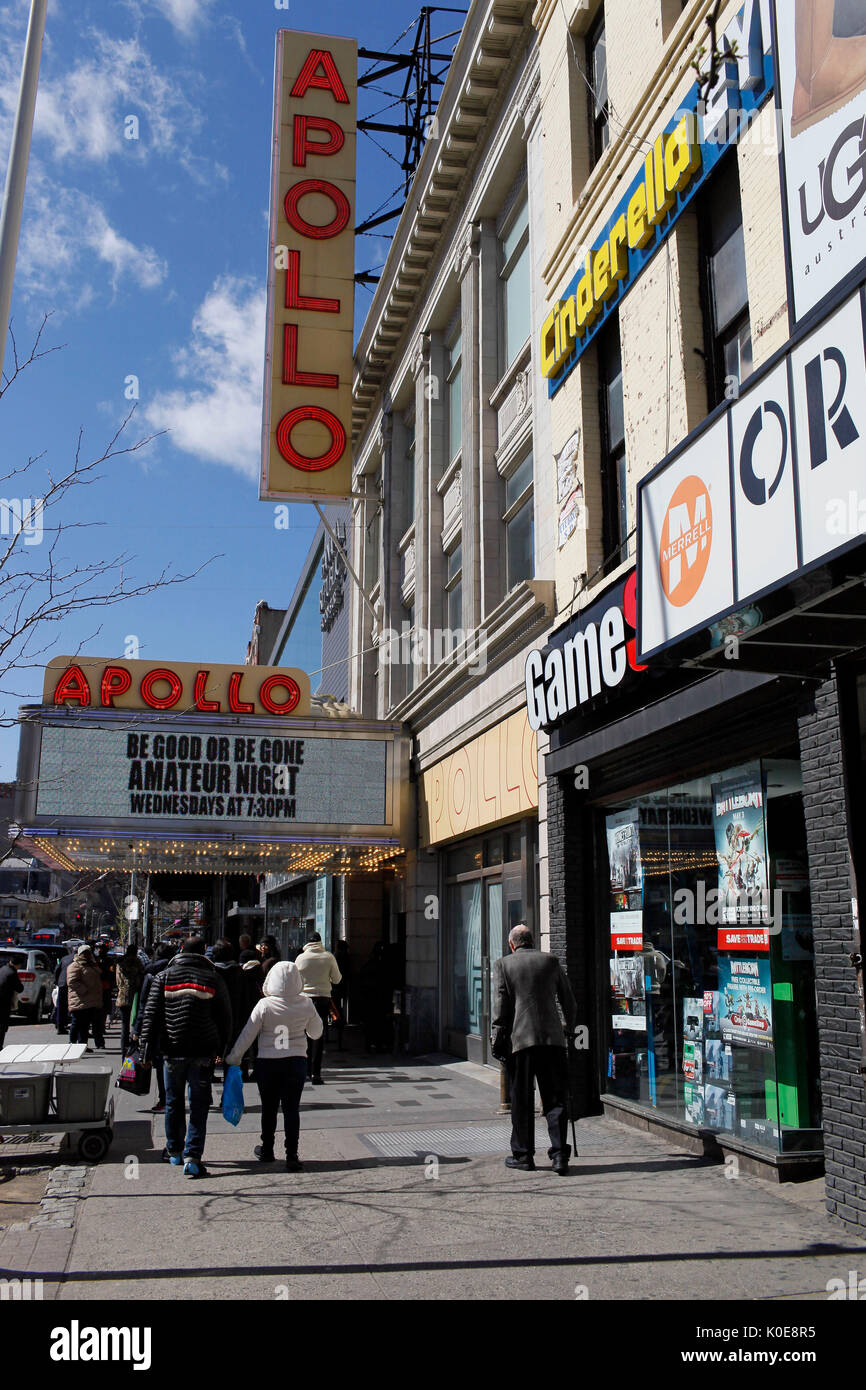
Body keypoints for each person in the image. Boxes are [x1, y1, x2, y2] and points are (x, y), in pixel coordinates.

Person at [138, 936, 232, 1178]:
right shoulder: (213, 978)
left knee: (173, 1102)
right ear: (204, 952)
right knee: (199, 1105)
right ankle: (193, 1156)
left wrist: (146, 1051)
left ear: (181, 950)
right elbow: (226, 1018)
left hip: (172, 1050)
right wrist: (222, 1051)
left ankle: (174, 1151)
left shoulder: (164, 977)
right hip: (202, 1052)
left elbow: (150, 1015)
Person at [491, 924, 579, 1176]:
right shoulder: (551, 961)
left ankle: (523, 1155)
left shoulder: (504, 965)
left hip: (521, 1042)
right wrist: (568, 1028)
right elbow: (569, 1000)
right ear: (532, 941)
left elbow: (500, 1008)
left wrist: (497, 1039)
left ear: (512, 944)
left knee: (521, 1100)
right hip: (552, 1040)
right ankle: (560, 1154)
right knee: (555, 1098)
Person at [225, 960, 323, 1170]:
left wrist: (234, 1057)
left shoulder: (265, 1005)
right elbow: (316, 1032)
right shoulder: (305, 1003)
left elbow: (247, 1034)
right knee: (291, 1108)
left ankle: (267, 1148)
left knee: (269, 1108)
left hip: (267, 1063)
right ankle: (292, 1154)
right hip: (296, 1062)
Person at [294, 932, 341, 1084]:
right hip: (323, 999)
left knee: (304, 1033)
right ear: (320, 942)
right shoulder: (328, 957)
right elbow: (337, 979)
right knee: (318, 1035)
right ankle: (316, 1073)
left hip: (304, 999)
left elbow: (294, 980)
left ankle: (305, 1070)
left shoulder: (300, 958)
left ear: (307, 942)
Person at [134, 941, 176, 1112]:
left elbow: (144, 1005)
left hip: (156, 1026)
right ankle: (170, 1098)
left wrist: (137, 1030)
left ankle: (165, 1100)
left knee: (160, 1064)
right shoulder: (175, 972)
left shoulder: (151, 975)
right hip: (174, 1023)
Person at [67, 946, 105, 1048]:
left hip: (91, 1000)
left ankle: (83, 1045)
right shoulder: (75, 966)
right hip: (79, 999)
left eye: (89, 953)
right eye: (85, 953)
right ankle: (72, 1044)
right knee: (76, 1023)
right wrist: (84, 990)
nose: (87, 955)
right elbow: (72, 982)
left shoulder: (92, 965)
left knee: (85, 1025)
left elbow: (99, 974)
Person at [115, 943, 144, 1057]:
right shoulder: (136, 962)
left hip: (122, 995)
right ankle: (133, 1046)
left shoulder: (119, 962)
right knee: (136, 1021)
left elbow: (118, 980)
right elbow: (141, 974)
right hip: (135, 994)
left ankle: (124, 1046)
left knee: (124, 1023)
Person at [0, 957, 24, 1050]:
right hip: (3, 1002)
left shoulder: (2, 969)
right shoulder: (12, 973)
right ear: (18, 965)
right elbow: (20, 988)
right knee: (2, 1026)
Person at [54, 945, 76, 1035]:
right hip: (72, 985)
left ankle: (60, 1026)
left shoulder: (64, 958)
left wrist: (56, 982)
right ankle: (74, 1026)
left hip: (62, 983)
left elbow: (57, 970)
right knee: (76, 1005)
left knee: (61, 1006)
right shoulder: (78, 959)